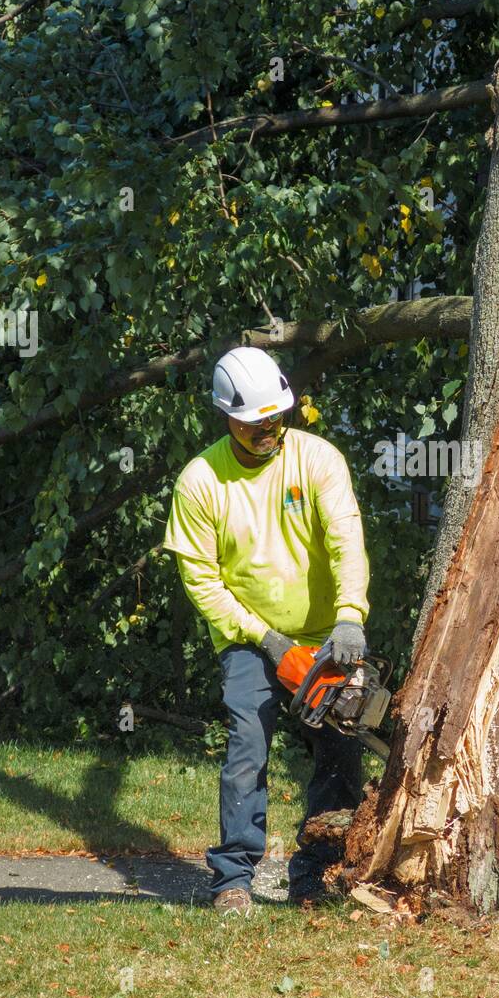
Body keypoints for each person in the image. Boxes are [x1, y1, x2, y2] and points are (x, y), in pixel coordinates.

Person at [163, 346, 370, 915]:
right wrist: (269, 641)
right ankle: (233, 879)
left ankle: (318, 874)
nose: (267, 430)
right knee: (247, 747)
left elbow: (346, 540)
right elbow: (203, 582)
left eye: (275, 418)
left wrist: (350, 615)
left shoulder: (318, 459)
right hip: (247, 637)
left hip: (327, 632)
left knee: (339, 750)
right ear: (226, 416)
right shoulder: (201, 481)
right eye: (254, 422)